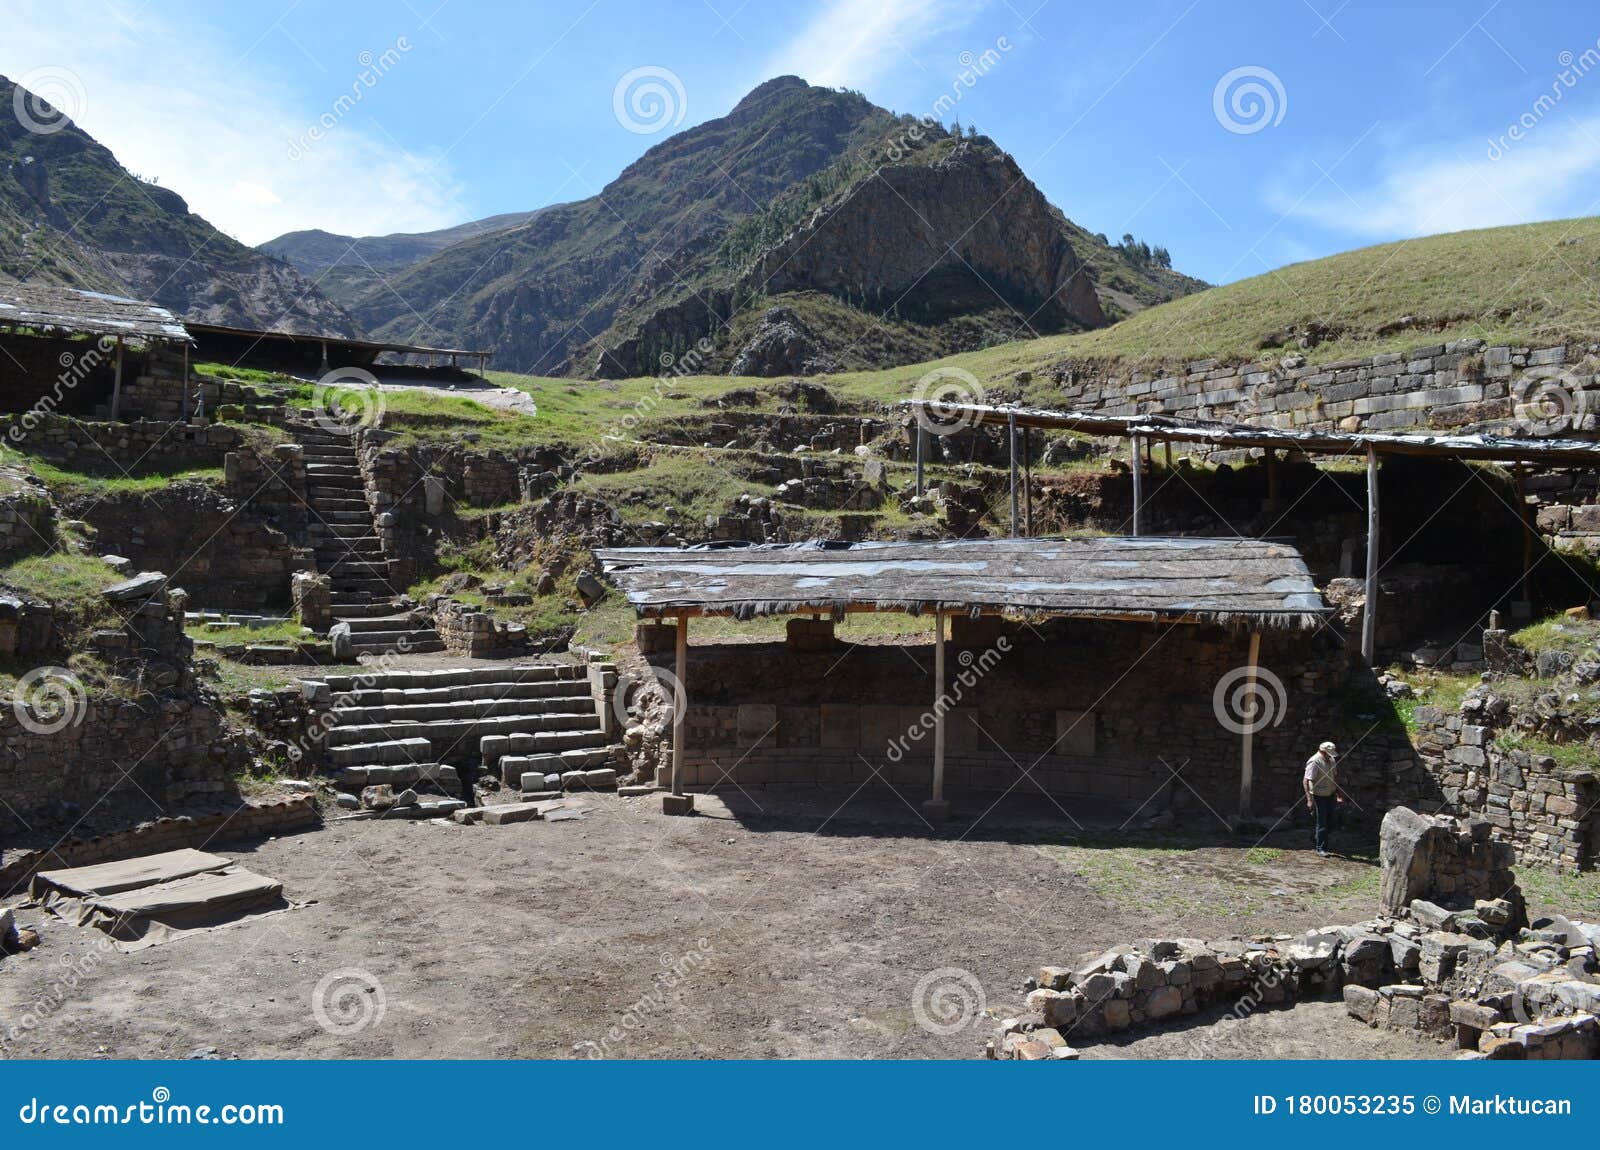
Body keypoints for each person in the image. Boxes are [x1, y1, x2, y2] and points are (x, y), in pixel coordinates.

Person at [1303, 740, 1340, 857]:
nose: (1331, 756)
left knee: (1332, 820)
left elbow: (1335, 777)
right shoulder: (1314, 762)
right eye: (1329, 753)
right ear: (1323, 752)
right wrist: (1309, 799)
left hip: (1330, 794)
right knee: (1322, 822)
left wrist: (1339, 794)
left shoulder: (1332, 760)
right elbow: (1306, 780)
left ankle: (1316, 837)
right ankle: (1321, 848)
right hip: (1318, 796)